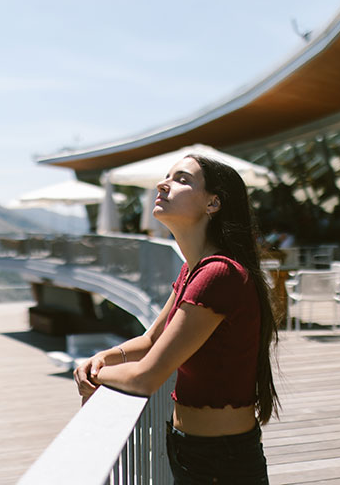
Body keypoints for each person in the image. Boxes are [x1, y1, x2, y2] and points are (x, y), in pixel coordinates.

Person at [74, 154, 279, 484]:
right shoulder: (194, 270)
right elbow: (151, 341)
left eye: (182, 179)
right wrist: (101, 358)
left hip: (221, 461)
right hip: (195, 449)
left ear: (213, 203)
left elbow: (146, 376)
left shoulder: (219, 274)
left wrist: (97, 375)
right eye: (167, 176)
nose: (163, 184)